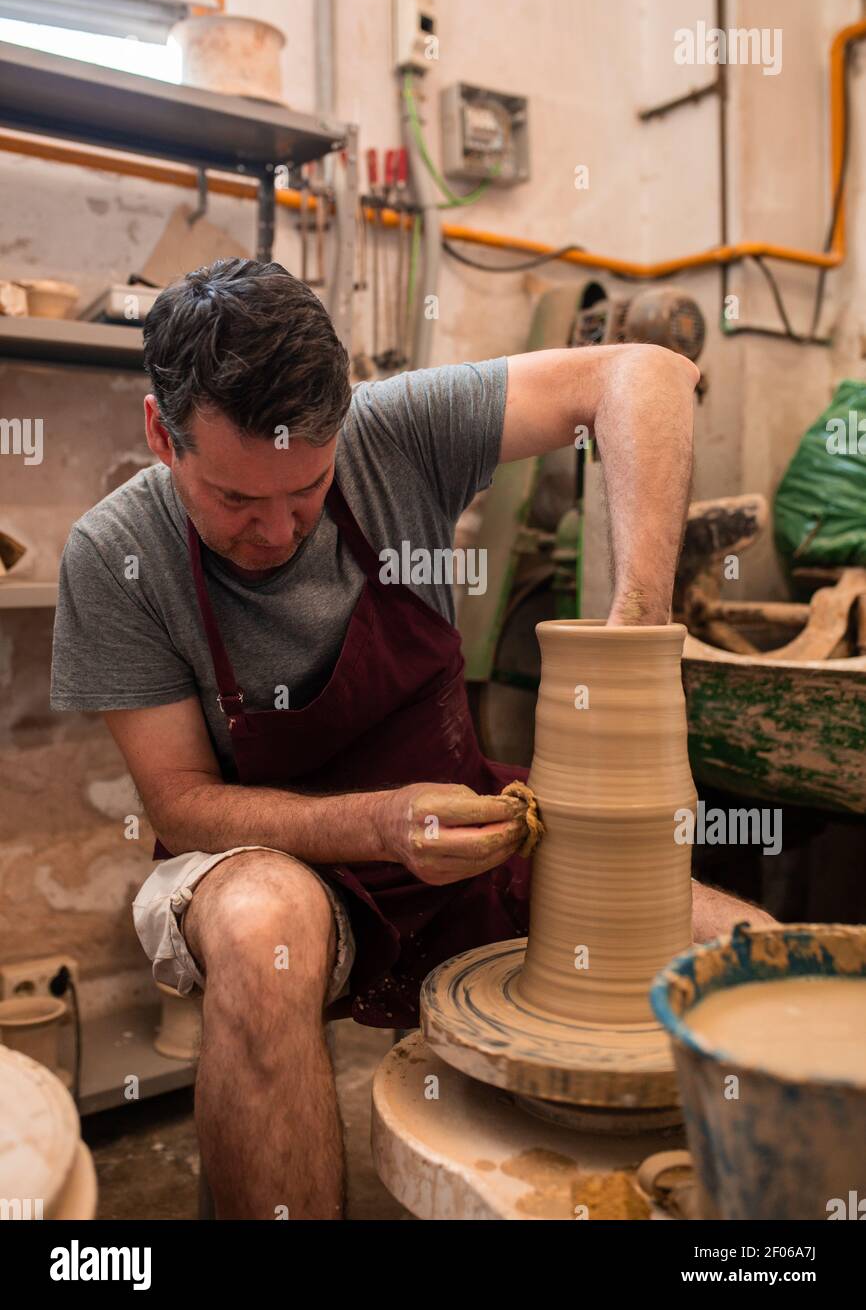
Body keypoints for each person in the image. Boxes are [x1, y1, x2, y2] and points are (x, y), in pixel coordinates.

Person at [50, 257, 773, 1218]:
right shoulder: (115, 556)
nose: (275, 530)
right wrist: (382, 825)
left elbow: (643, 371)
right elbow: (182, 803)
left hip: (462, 827)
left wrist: (638, 614)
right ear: (161, 435)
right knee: (267, 935)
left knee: (751, 955)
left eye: (305, 490)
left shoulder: (397, 433)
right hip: (273, 856)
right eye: (235, 500)